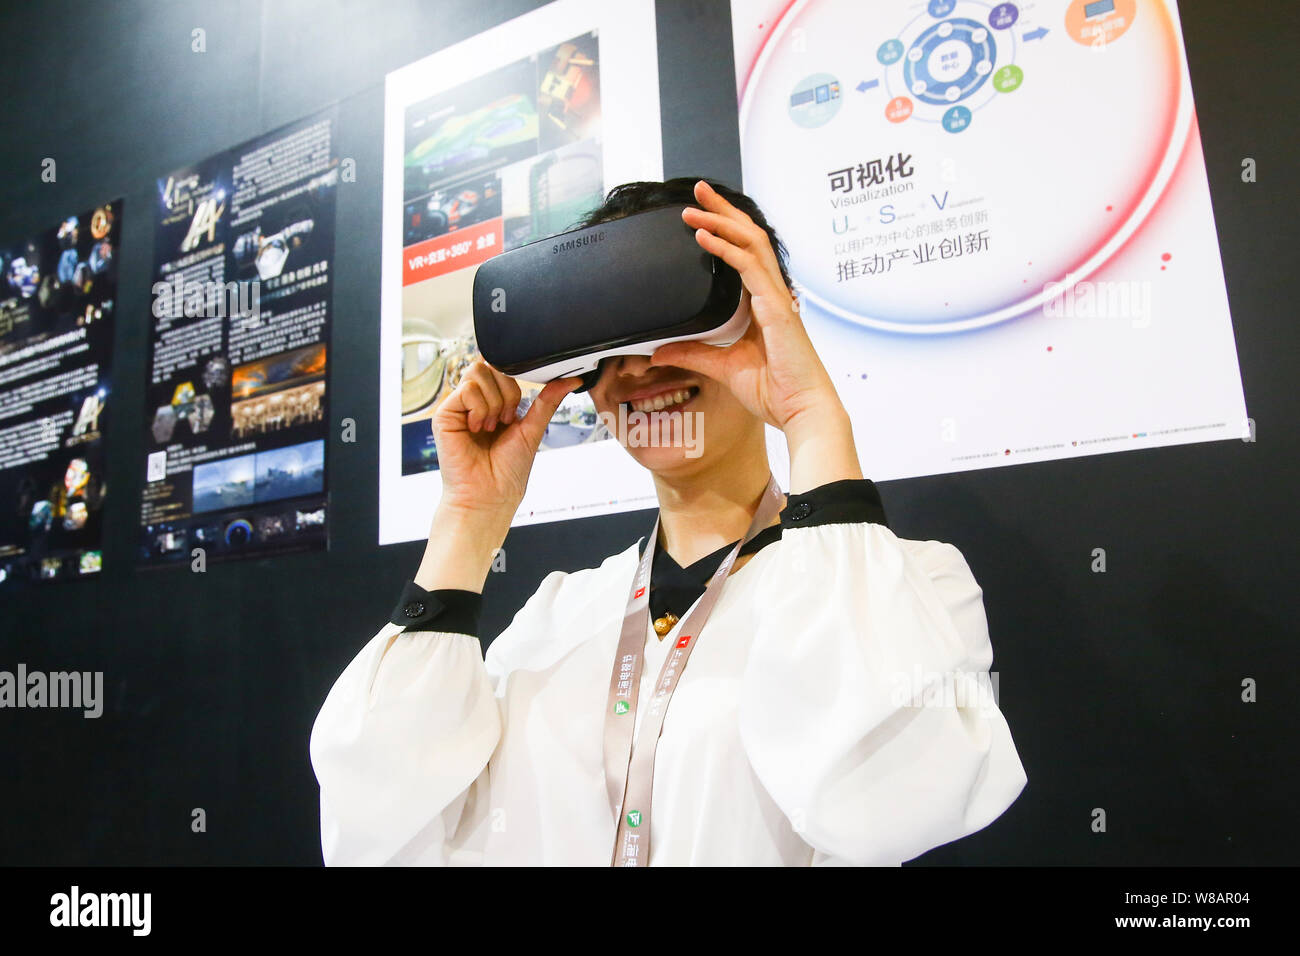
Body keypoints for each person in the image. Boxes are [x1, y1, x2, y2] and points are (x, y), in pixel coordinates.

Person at [309, 178, 1028, 866]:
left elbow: (892, 806)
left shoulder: (912, 584)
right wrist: (468, 522)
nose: (643, 370)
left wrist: (812, 422)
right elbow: (379, 829)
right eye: (609, 349)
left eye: (677, 324)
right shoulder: (558, 614)